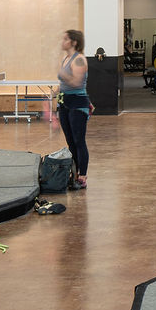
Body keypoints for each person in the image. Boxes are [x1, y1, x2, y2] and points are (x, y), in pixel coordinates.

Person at [50, 29, 91, 190]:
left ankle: (83, 176)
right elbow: (64, 84)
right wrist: (55, 92)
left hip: (78, 104)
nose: (63, 42)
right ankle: (75, 172)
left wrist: (62, 74)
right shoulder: (65, 59)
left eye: (66, 39)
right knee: (70, 141)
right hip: (65, 103)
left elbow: (76, 82)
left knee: (79, 140)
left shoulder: (79, 59)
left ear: (74, 42)